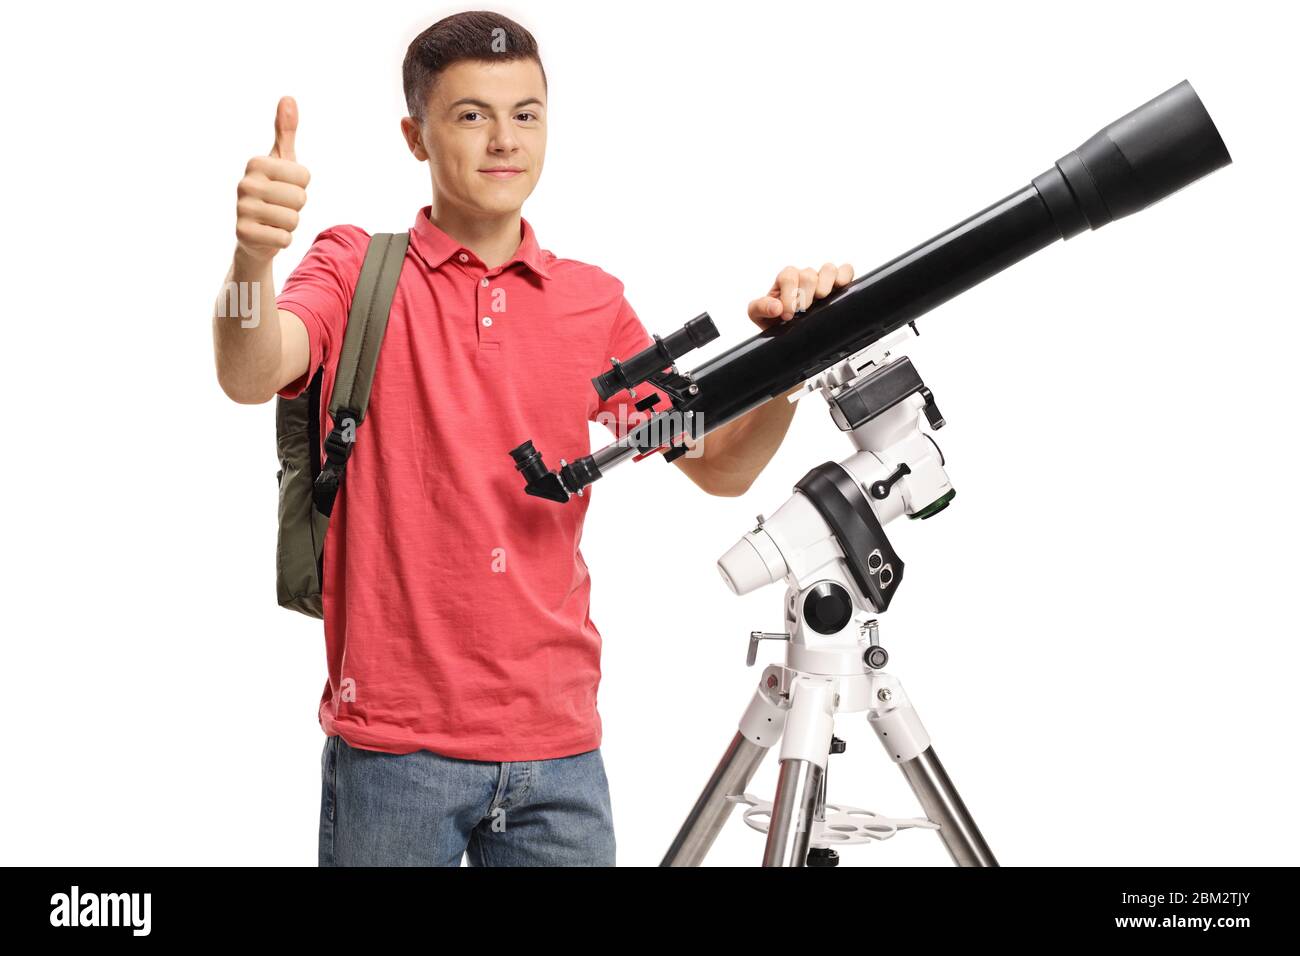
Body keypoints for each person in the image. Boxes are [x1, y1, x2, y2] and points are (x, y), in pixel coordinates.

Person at [211, 9, 854, 867]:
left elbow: (718, 463)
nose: (503, 140)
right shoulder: (355, 266)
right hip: (396, 753)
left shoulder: (592, 303)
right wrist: (251, 262)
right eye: (471, 114)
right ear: (416, 135)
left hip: (560, 752)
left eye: (526, 114)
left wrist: (795, 360)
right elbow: (251, 370)